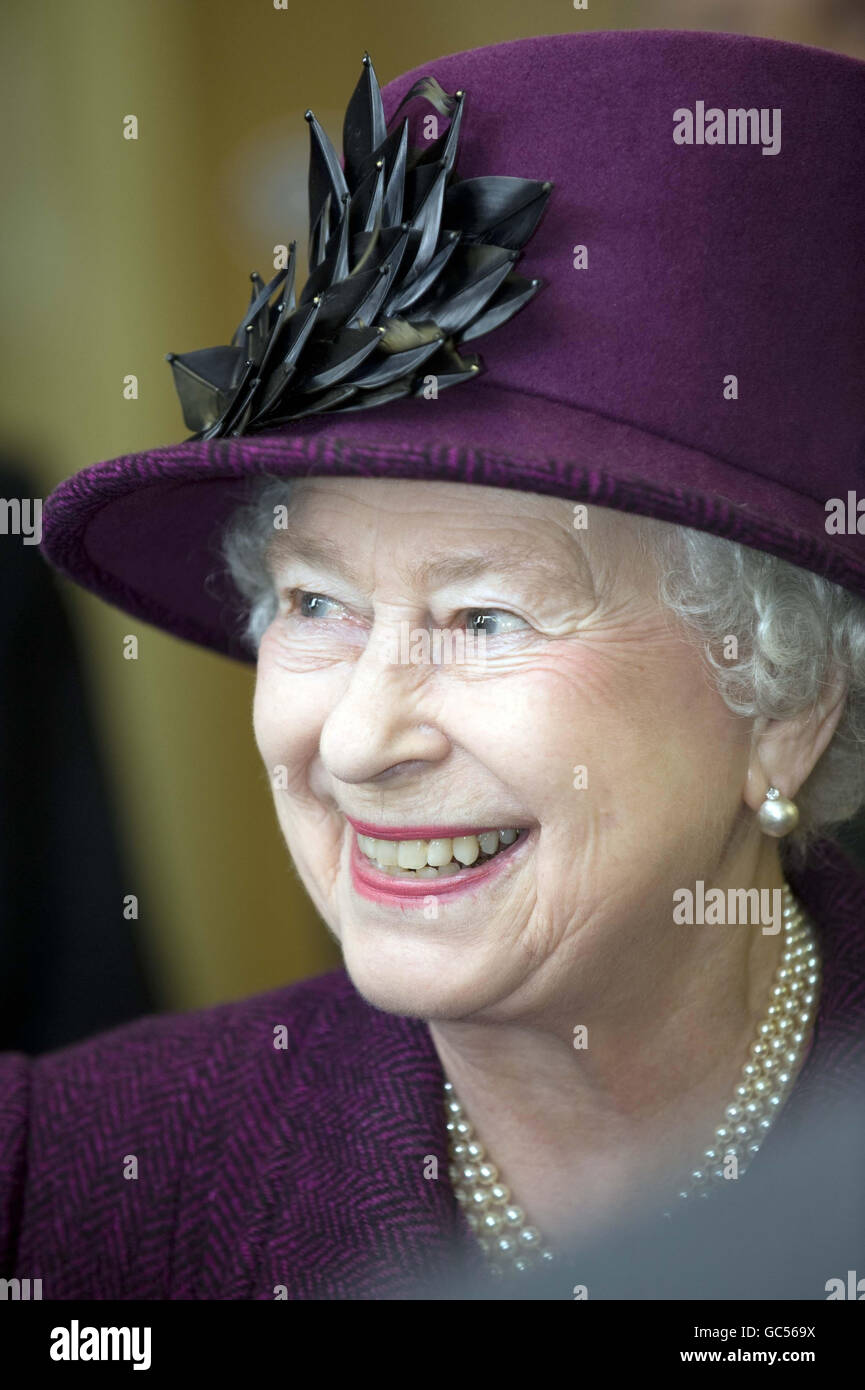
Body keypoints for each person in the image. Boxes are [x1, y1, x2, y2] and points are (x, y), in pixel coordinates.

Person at [2, 28, 864, 1300]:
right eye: (313, 601)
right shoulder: (67, 1186)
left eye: (482, 620)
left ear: (782, 701)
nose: (354, 741)